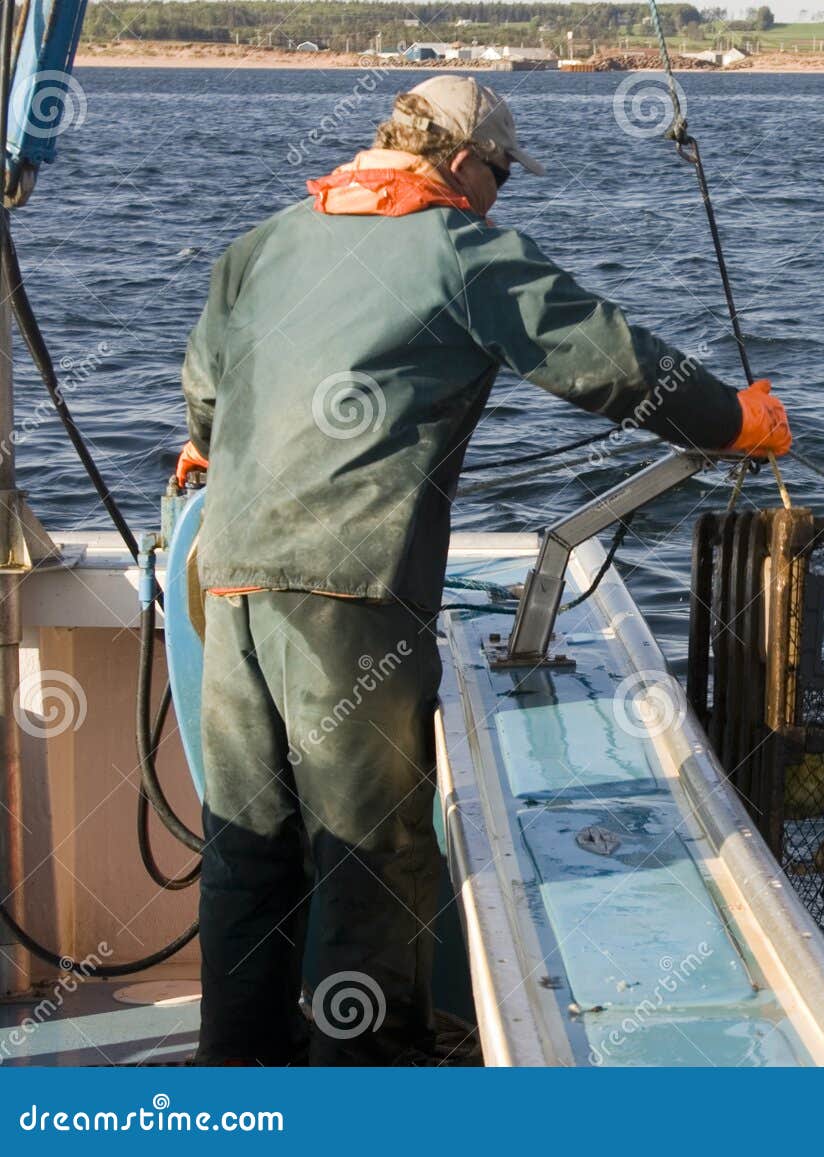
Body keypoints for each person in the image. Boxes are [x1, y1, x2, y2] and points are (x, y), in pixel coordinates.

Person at [177, 75, 790, 1065]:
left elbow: (204, 389)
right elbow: (609, 360)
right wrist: (733, 421)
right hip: (354, 592)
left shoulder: (264, 243)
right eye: (500, 174)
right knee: (371, 853)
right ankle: (366, 1082)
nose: (500, 193)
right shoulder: (460, 248)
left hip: (231, 569)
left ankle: (236, 1070)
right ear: (461, 162)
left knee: (250, 841)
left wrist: (211, 451)